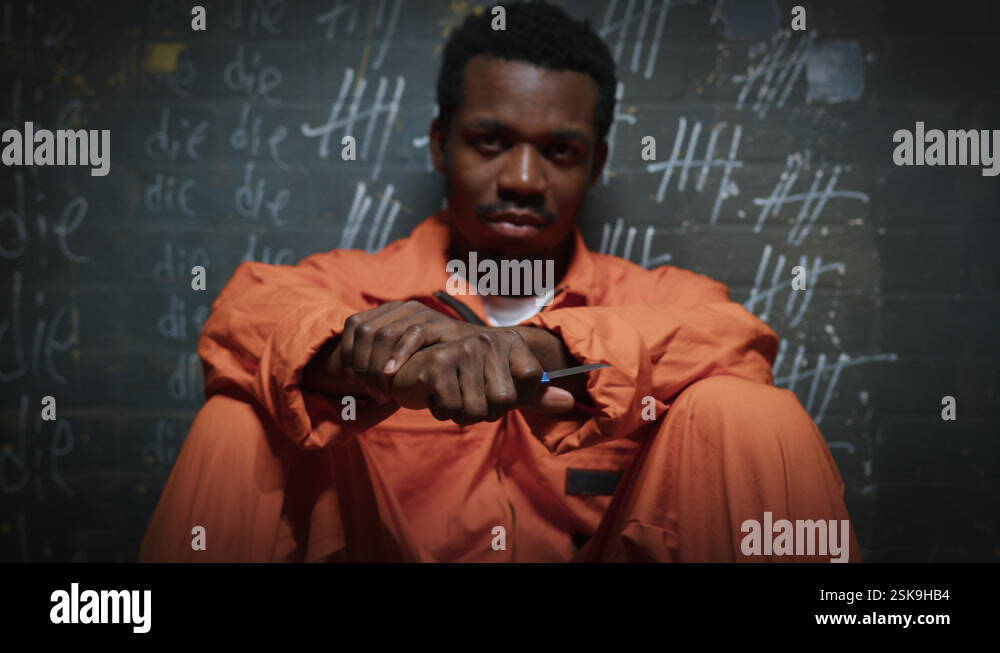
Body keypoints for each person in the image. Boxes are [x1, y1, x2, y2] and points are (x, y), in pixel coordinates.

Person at [139, 2, 861, 563]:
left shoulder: (659, 301)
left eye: (558, 151)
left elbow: (736, 338)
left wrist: (541, 351)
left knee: (751, 414)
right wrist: (372, 366)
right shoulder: (353, 288)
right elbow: (245, 314)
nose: (521, 178)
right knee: (238, 423)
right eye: (491, 141)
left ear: (596, 163)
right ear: (439, 142)